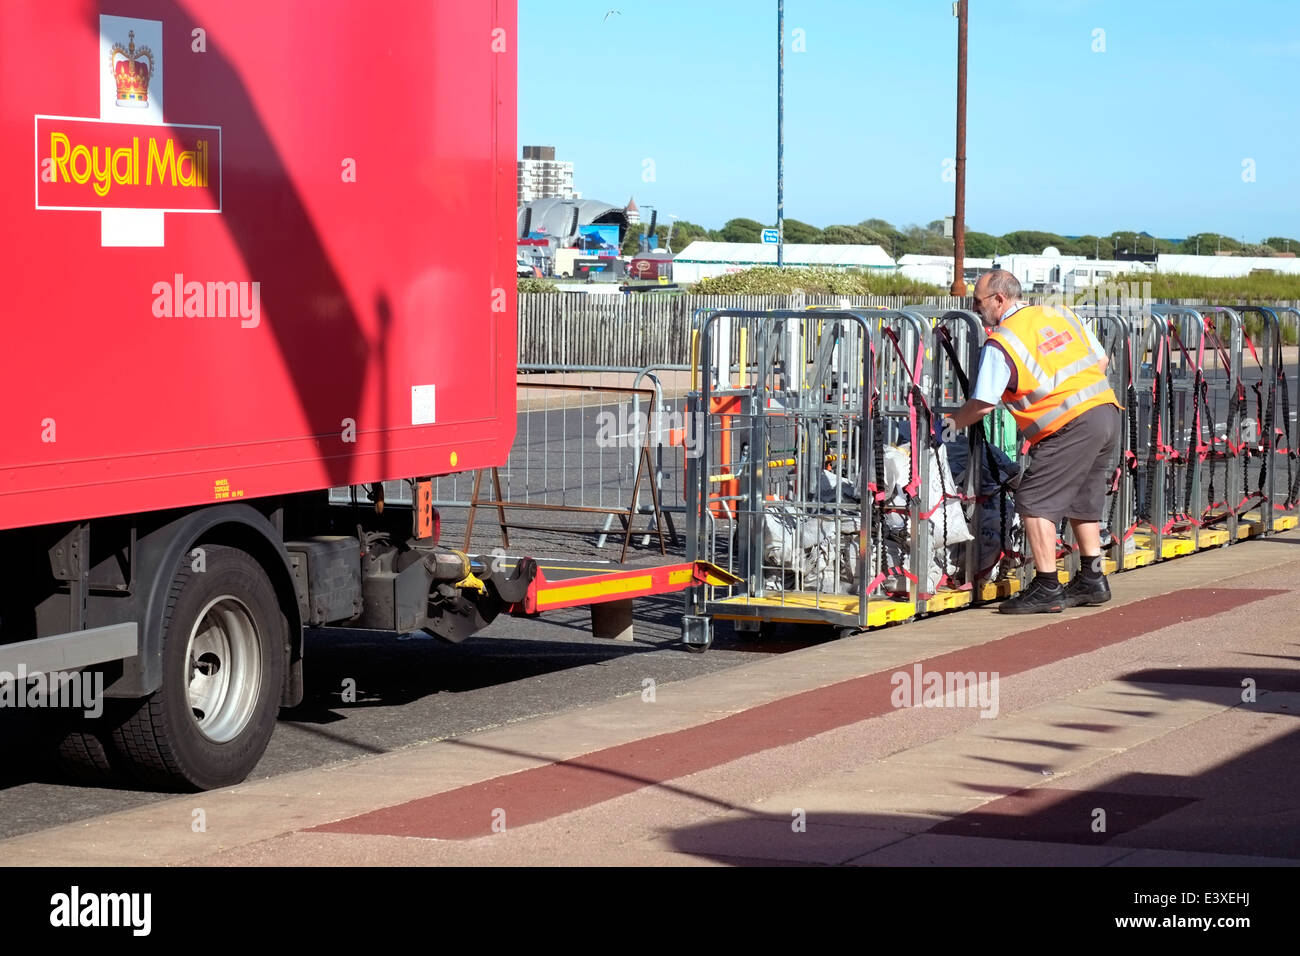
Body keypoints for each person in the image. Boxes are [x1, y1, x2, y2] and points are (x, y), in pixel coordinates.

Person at [947, 269, 1121, 613]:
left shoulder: (1003, 340)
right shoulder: (1060, 314)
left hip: (1069, 424)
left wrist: (949, 424)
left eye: (977, 302)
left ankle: (1046, 586)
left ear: (999, 299)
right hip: (1106, 411)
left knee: (1034, 499)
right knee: (1082, 499)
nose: (976, 309)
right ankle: (1092, 578)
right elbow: (1101, 360)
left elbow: (983, 403)